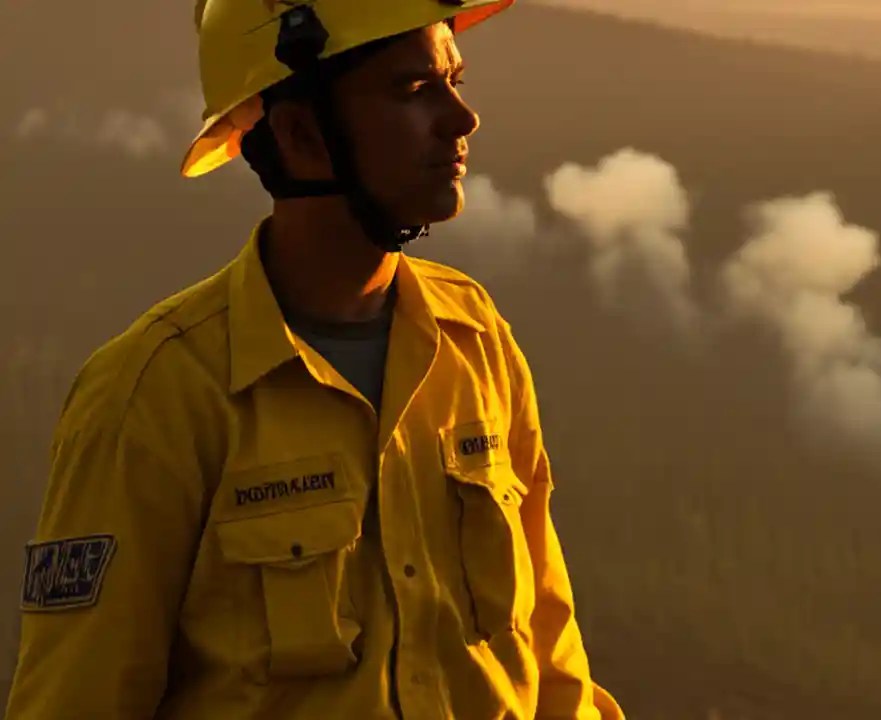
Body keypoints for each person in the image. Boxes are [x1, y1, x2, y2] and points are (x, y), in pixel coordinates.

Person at [4, 0, 624, 717]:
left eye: (455, 81)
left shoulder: (475, 338)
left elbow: (551, 658)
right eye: (414, 91)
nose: (462, 120)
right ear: (301, 135)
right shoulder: (153, 396)